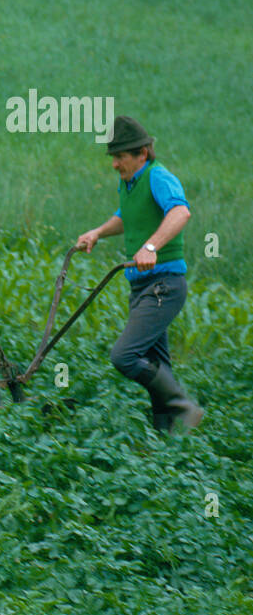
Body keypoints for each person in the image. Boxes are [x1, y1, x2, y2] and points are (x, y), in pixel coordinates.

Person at [75, 115, 202, 434]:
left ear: (142, 153)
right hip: (143, 285)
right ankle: (168, 436)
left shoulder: (158, 177)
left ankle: (184, 407)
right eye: (114, 157)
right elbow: (127, 216)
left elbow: (180, 211)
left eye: (120, 157)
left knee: (124, 356)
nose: (115, 164)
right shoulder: (130, 183)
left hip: (165, 285)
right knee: (158, 365)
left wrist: (151, 246)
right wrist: (98, 232)